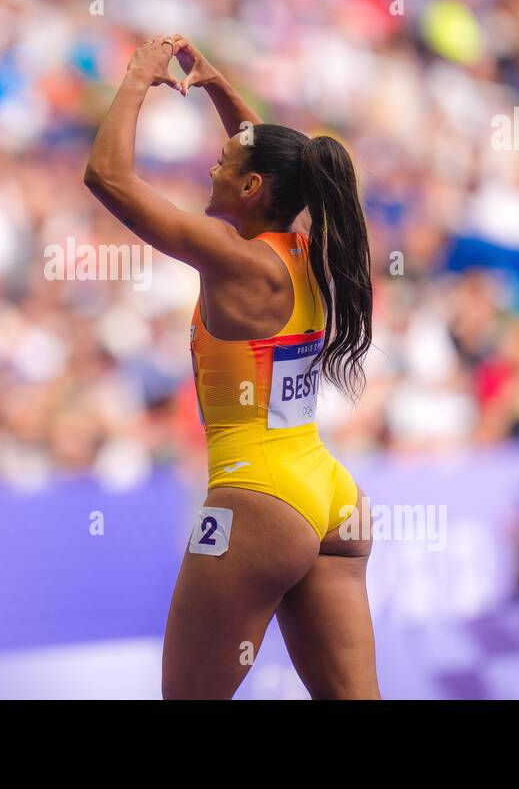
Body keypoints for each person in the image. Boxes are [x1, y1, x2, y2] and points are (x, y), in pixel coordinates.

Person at [84, 35, 380, 699]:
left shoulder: (234, 257)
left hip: (257, 500)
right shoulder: (307, 246)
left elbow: (107, 177)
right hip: (329, 496)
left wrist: (134, 76)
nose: (210, 168)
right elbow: (286, 162)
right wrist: (218, 87)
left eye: (222, 162)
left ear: (249, 188)